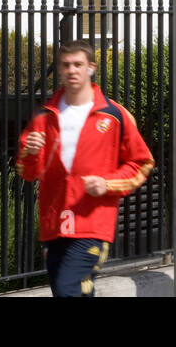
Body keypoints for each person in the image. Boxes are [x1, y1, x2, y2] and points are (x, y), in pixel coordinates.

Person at [16, 40, 154, 297]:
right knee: (70, 291)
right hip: (54, 224)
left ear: (91, 68)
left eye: (78, 64)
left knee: (68, 289)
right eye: (66, 65)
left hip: (92, 224)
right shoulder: (44, 115)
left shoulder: (114, 115)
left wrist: (108, 183)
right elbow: (27, 171)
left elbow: (141, 163)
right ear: (59, 69)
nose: (72, 70)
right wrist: (32, 153)